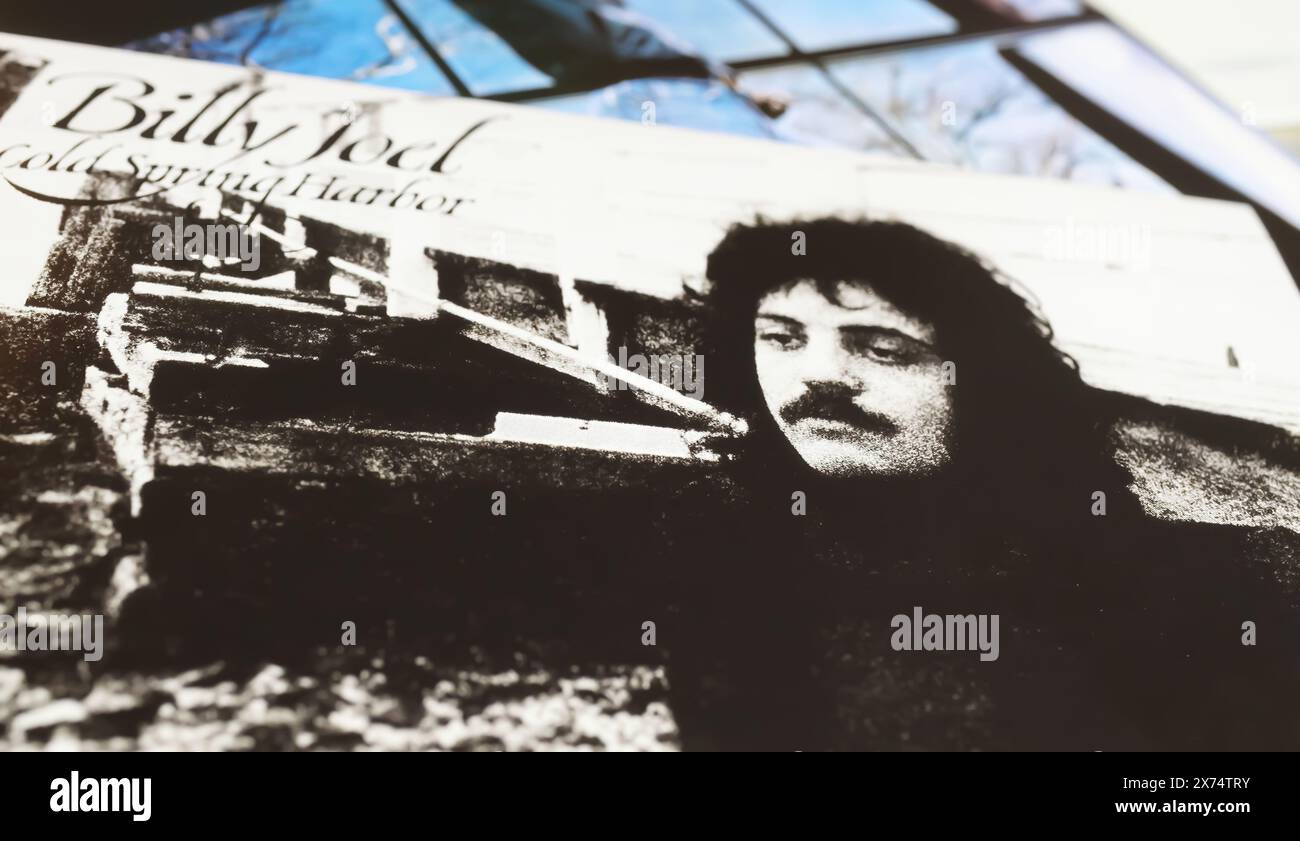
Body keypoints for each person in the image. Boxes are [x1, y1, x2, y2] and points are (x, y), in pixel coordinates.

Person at [658, 217, 1300, 751]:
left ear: (984, 386)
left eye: (883, 348)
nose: (820, 376)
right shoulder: (725, 549)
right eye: (780, 338)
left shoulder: (1188, 583)